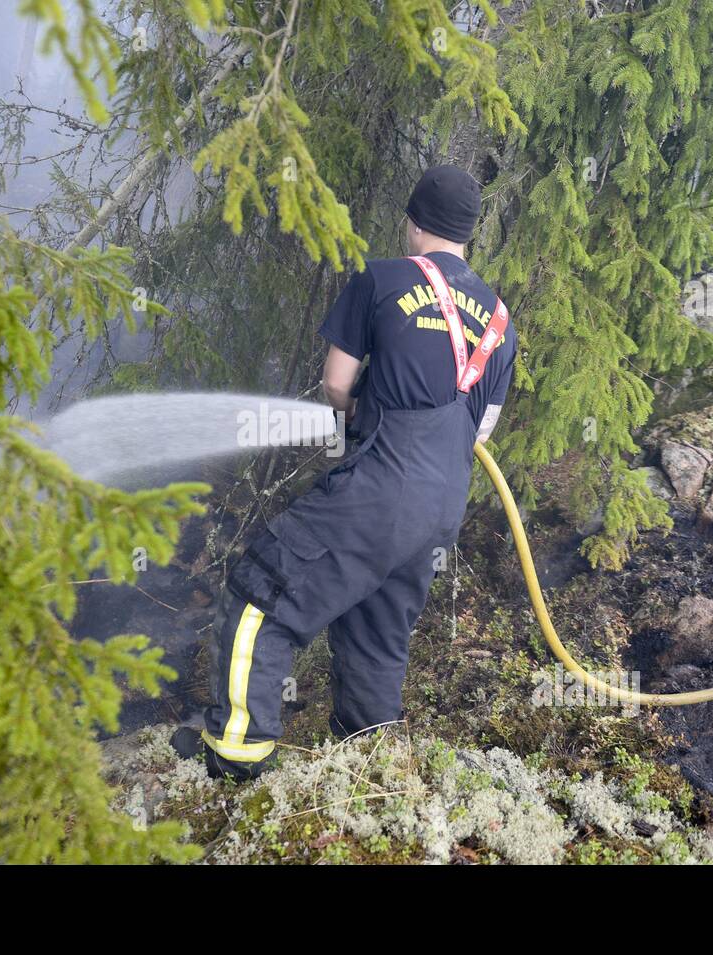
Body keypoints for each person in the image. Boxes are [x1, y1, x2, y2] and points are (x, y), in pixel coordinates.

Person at [173, 165, 517, 780]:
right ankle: (367, 763)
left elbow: (335, 382)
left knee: (261, 595)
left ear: (412, 223)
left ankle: (235, 759)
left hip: (380, 487)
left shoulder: (380, 281)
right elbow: (480, 431)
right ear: (469, 236)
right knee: (377, 633)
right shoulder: (499, 319)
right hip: (442, 507)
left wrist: (361, 410)